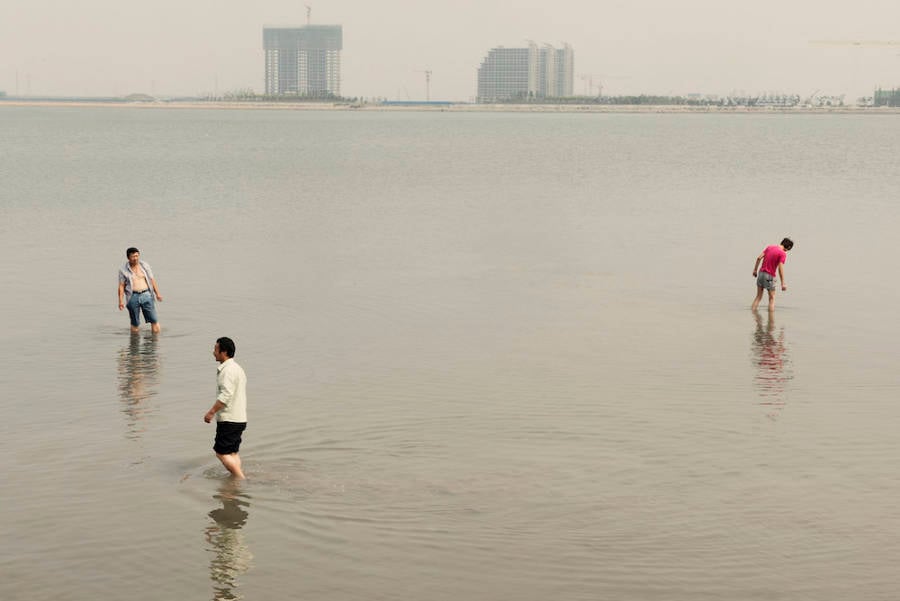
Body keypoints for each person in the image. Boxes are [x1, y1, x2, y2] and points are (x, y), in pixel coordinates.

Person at [205, 337, 248, 479]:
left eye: (216, 349)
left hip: (229, 419)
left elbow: (226, 395)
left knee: (221, 452)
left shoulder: (227, 371)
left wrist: (211, 412)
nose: (213, 352)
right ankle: (235, 478)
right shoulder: (238, 369)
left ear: (224, 352)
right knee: (233, 452)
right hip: (240, 418)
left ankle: (240, 478)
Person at [117, 247, 163, 333]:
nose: (135, 258)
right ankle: (134, 345)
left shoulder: (144, 265)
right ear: (128, 257)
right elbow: (121, 286)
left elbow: (152, 280)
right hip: (132, 296)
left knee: (154, 319)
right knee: (135, 323)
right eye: (133, 256)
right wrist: (120, 301)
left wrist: (158, 294)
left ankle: (155, 343)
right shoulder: (123, 270)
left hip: (146, 294)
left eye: (137, 256)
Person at [751, 237, 794, 312]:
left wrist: (755, 270)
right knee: (772, 298)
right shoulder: (782, 253)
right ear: (789, 247)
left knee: (758, 297)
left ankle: (752, 313)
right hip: (769, 276)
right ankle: (771, 321)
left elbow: (759, 258)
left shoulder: (769, 247)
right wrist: (783, 283)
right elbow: (780, 268)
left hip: (761, 273)